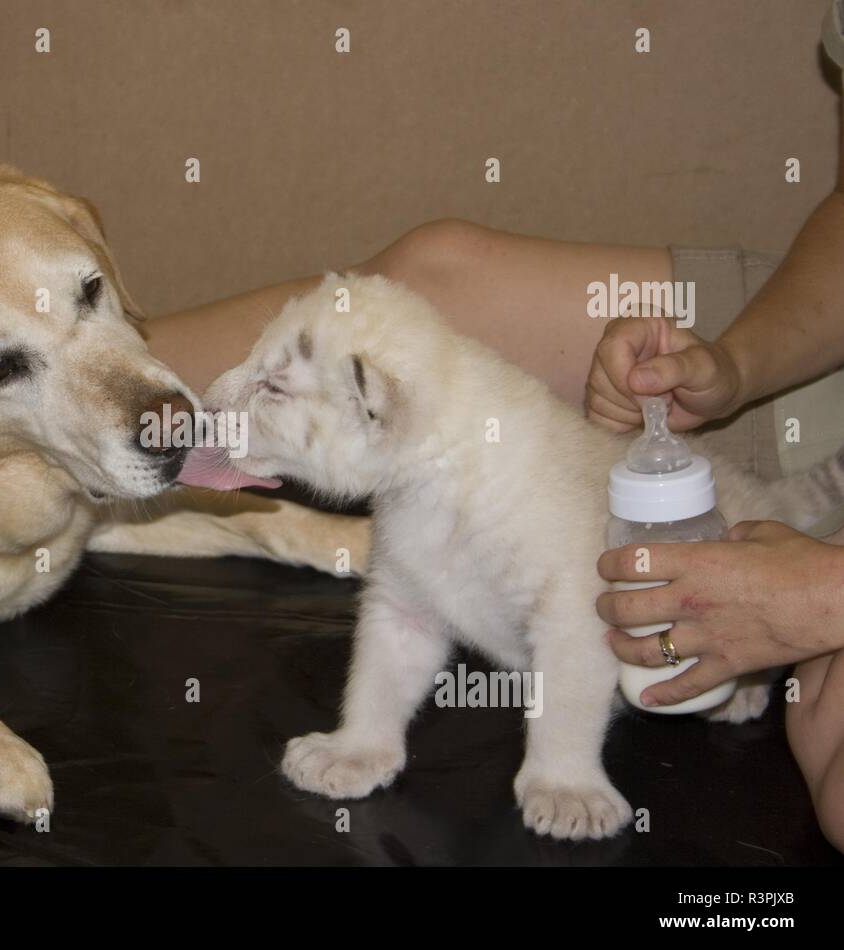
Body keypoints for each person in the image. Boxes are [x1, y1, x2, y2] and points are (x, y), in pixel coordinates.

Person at [143, 3, 844, 850]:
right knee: (436, 258)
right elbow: (405, 612)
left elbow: (575, 615)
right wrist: (732, 366)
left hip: (728, 532)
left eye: (271, 390)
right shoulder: (426, 442)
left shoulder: (485, 464)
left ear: (378, 412)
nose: (234, 401)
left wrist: (563, 767)